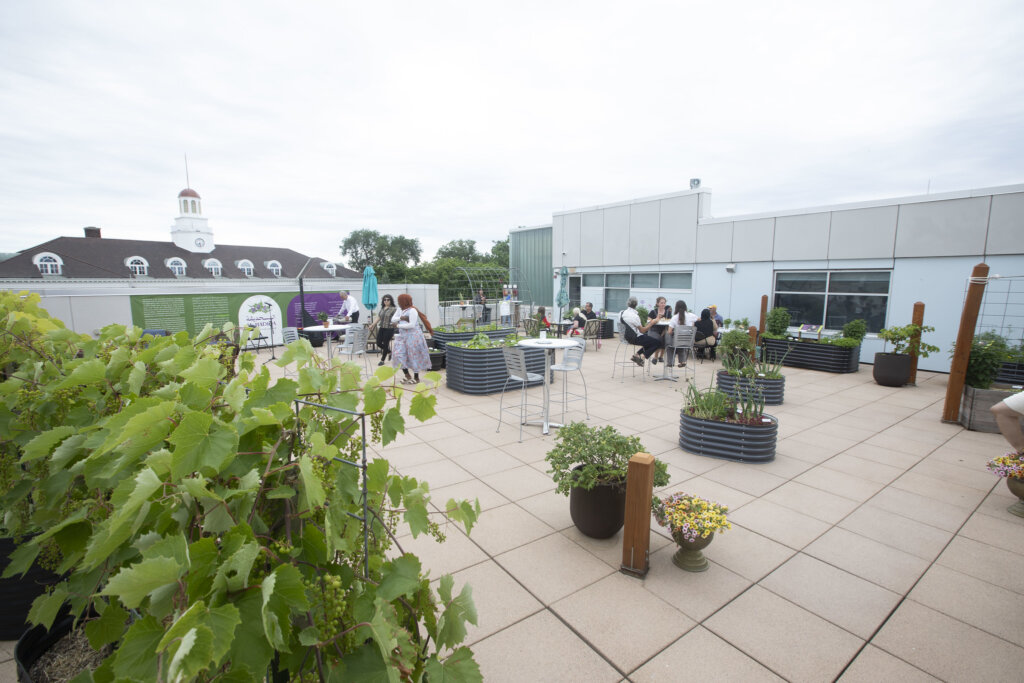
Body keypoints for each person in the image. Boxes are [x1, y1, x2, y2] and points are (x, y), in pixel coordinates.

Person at [391, 294, 433, 385]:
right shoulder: (400, 310)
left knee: (414, 356)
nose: (398, 303)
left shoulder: (412, 310)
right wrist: (402, 318)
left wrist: (398, 325)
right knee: (398, 354)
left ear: (404, 301)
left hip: (413, 336)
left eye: (399, 301)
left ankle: (416, 378)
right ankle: (407, 375)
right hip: (403, 336)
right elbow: (393, 319)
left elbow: (412, 325)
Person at [620, 296, 662, 366]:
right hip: (634, 338)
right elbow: (642, 330)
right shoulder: (635, 316)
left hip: (624, 337)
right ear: (636, 304)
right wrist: (652, 322)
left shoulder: (621, 313)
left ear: (627, 303)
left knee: (650, 341)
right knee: (657, 343)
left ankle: (637, 355)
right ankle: (642, 357)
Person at [665, 300, 694, 367]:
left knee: (669, 344)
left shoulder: (675, 317)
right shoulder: (691, 316)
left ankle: (670, 362)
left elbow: (669, 331)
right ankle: (682, 361)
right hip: (688, 342)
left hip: (677, 342)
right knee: (680, 342)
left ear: (676, 308)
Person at [647, 296, 672, 364]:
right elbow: (649, 321)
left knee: (665, 338)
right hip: (654, 330)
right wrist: (657, 318)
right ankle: (655, 357)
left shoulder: (668, 313)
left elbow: (670, 322)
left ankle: (661, 356)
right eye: (661, 303)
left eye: (664, 303)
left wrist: (664, 331)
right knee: (658, 339)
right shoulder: (653, 312)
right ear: (657, 303)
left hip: (664, 329)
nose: (663, 304)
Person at [374, 294, 397, 366]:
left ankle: (382, 360)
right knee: (378, 342)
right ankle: (389, 352)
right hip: (382, 328)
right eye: (385, 300)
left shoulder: (394, 309)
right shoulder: (382, 308)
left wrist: (396, 324)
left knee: (386, 343)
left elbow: (396, 319)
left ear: (391, 300)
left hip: (389, 328)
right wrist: (372, 324)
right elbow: (379, 317)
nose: (386, 301)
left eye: (388, 300)